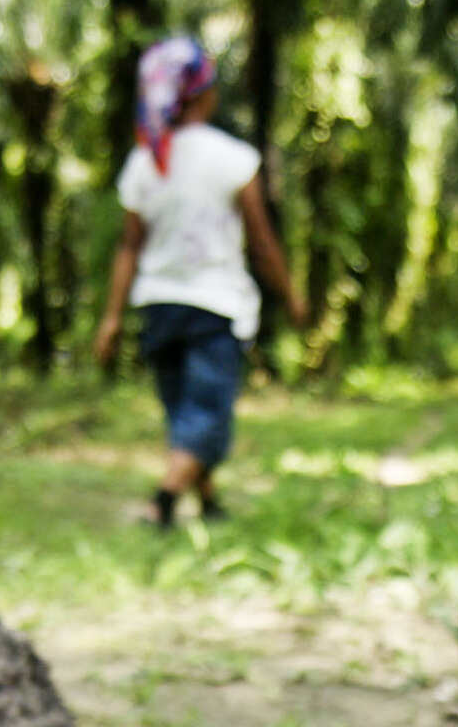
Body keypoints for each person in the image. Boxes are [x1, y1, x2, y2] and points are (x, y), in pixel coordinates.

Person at [90, 37, 310, 528]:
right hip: (215, 303)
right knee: (206, 414)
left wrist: (110, 318)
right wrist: (290, 294)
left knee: (184, 412)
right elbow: (262, 241)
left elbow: (129, 247)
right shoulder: (231, 158)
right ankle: (164, 501)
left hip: (159, 304)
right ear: (204, 94)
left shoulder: (147, 160)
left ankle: (208, 503)